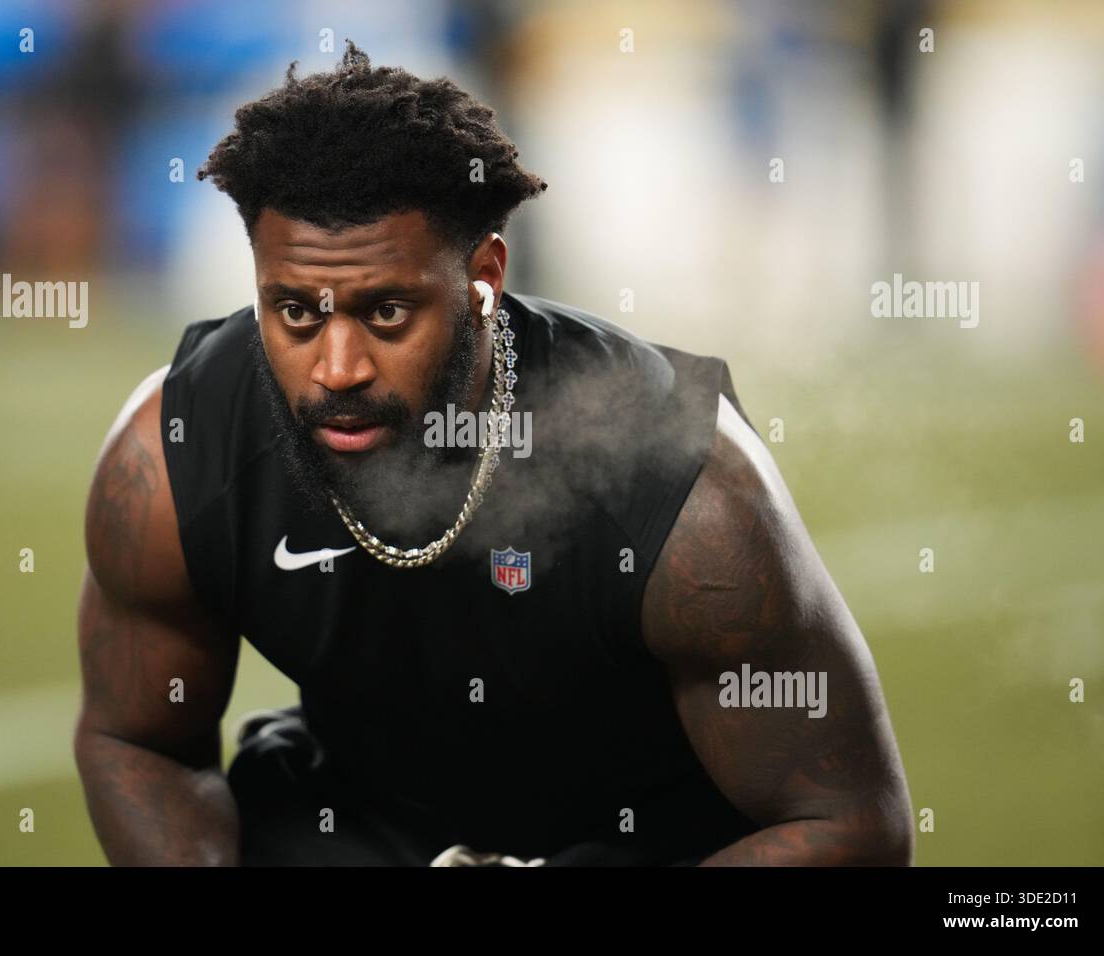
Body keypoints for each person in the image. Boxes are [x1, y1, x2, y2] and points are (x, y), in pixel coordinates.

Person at [74, 42, 913, 866]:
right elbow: (136, 741)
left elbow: (850, 827)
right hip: (357, 821)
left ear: (484, 275)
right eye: (295, 313)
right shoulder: (173, 454)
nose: (336, 369)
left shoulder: (686, 490)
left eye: (389, 313)